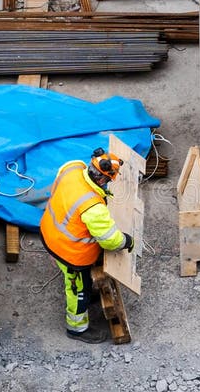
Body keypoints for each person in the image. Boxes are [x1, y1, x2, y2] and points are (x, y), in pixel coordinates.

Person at [40, 147, 134, 343]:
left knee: (82, 285)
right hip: (70, 253)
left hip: (49, 230)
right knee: (77, 290)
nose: (107, 184)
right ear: (101, 179)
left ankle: (84, 299)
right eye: (108, 180)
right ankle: (77, 329)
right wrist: (127, 240)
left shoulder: (73, 169)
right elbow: (109, 240)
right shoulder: (93, 206)